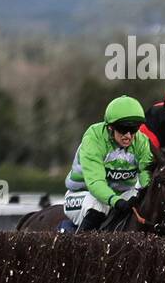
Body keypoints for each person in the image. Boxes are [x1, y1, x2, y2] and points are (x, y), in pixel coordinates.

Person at [62, 95, 155, 231]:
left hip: (120, 194)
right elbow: (95, 182)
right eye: (123, 129)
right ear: (110, 127)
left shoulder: (141, 142)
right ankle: (80, 248)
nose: (128, 136)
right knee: (98, 206)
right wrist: (115, 201)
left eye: (134, 129)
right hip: (82, 194)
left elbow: (146, 177)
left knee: (142, 204)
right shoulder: (94, 138)